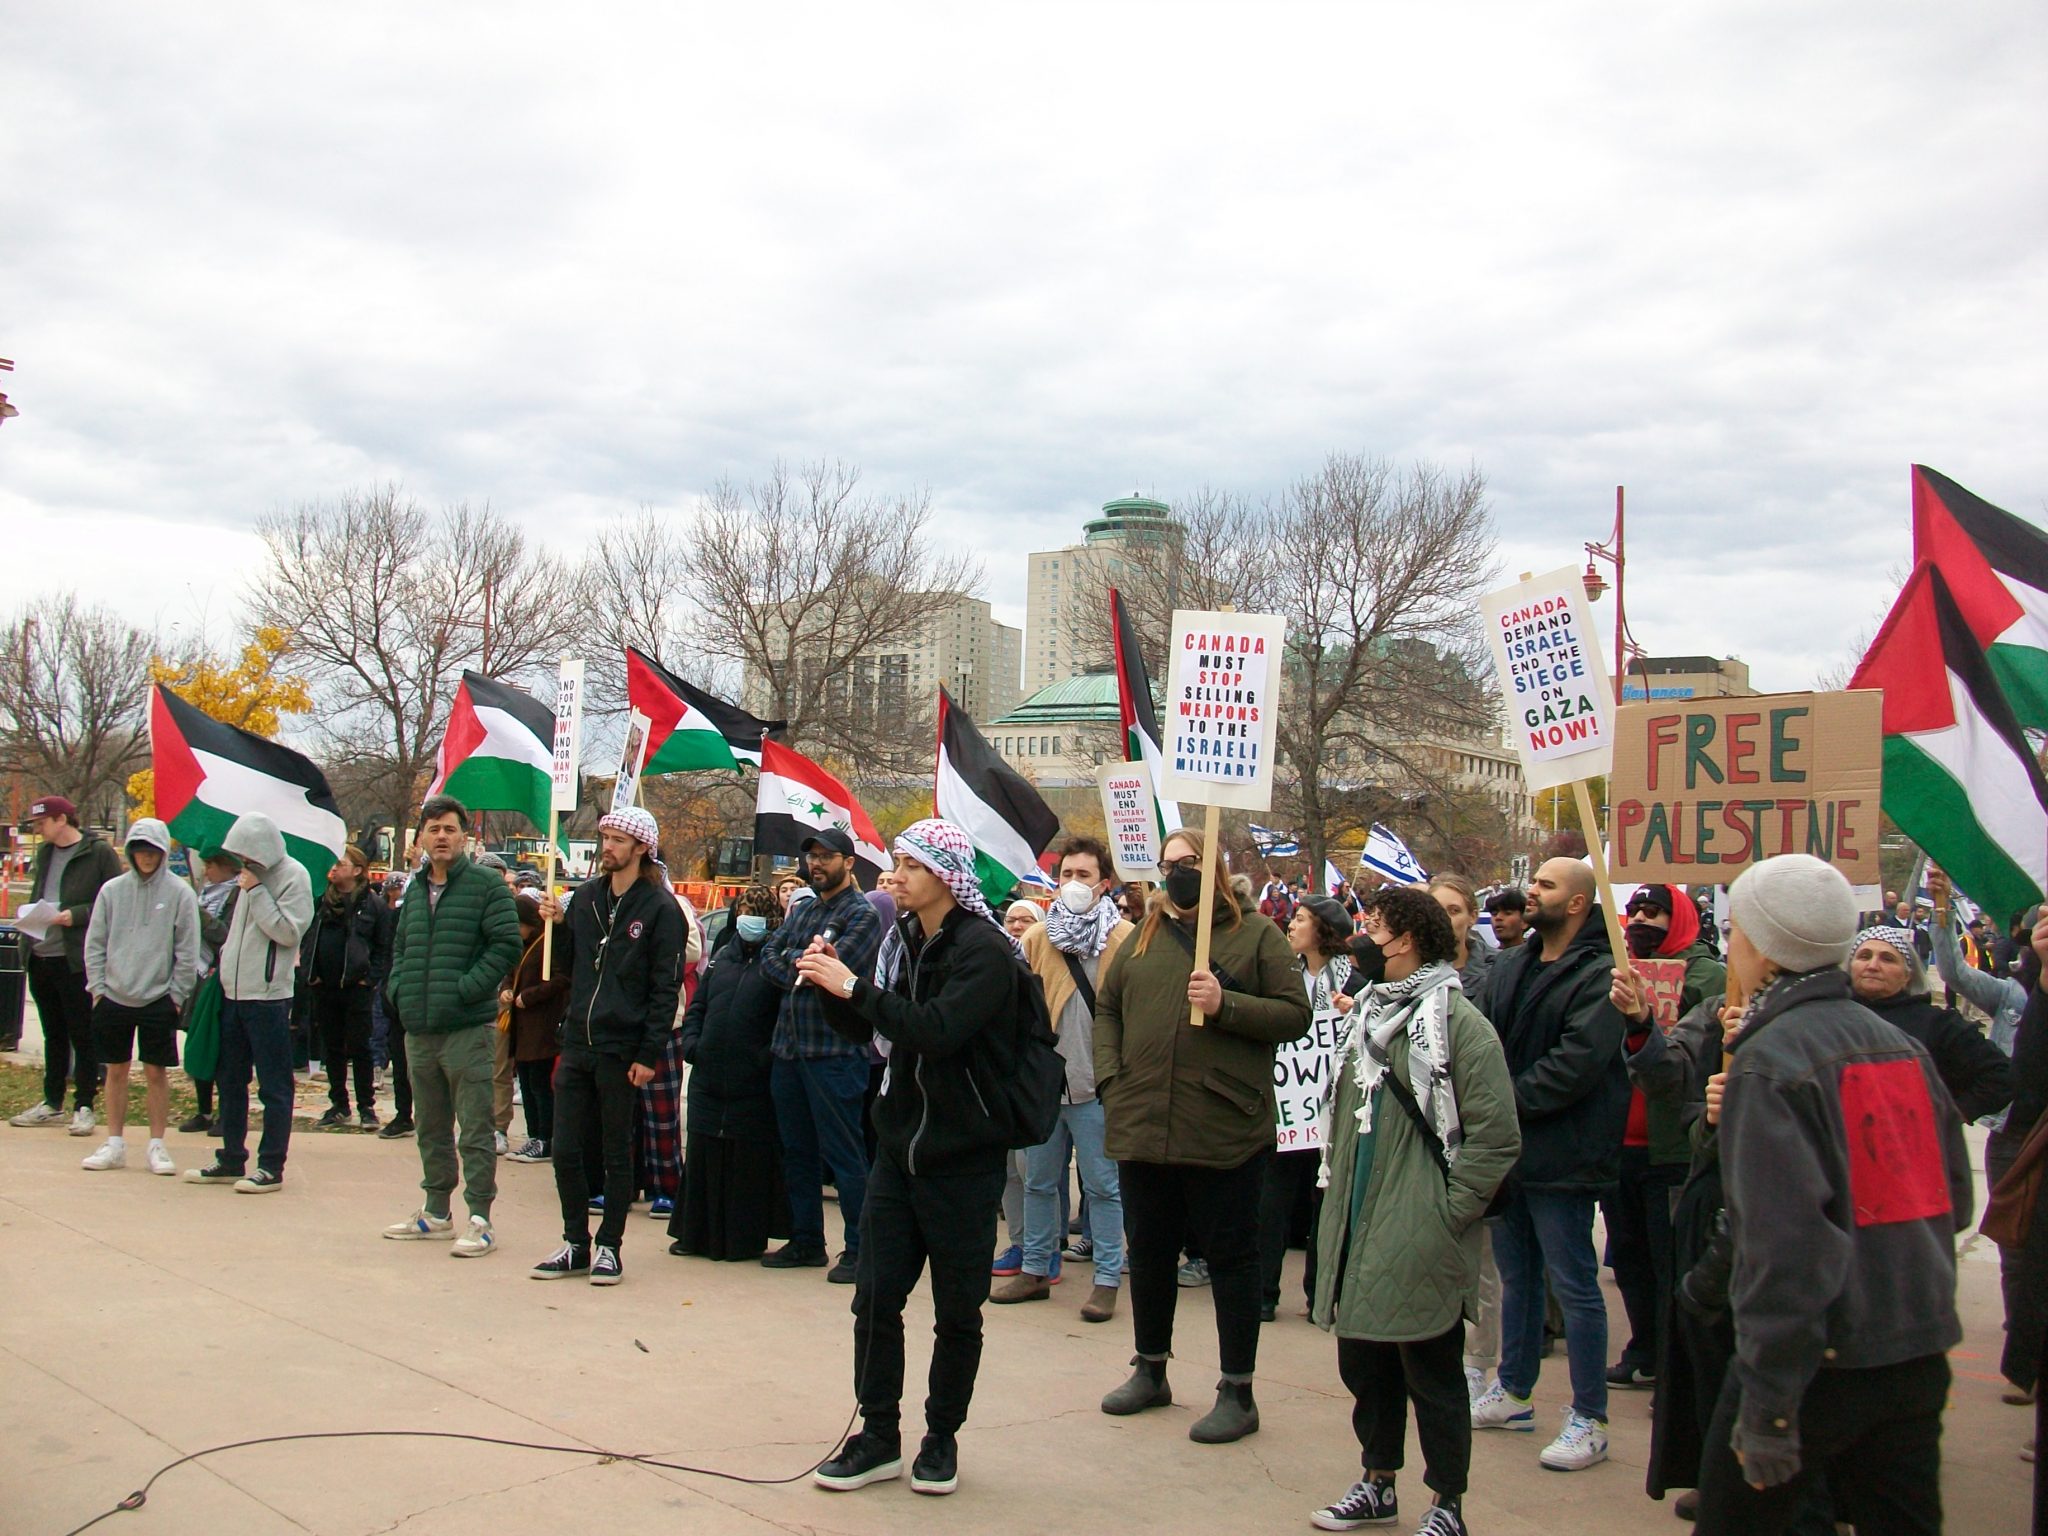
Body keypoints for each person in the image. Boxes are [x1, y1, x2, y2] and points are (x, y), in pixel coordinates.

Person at [1694, 855, 1973, 1535]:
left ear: (1757, 944)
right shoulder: (1899, 1044)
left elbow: (1783, 1252)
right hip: (1913, 1349)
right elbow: (1956, 1201)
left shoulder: (1770, 1060)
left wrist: (1769, 1407)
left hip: (1819, 1361)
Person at [800, 819, 1028, 1498]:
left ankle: (941, 1438)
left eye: (908, 865)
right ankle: (877, 1436)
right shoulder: (903, 939)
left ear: (946, 879)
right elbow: (875, 1026)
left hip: (964, 1156)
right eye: (895, 862)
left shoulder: (985, 950)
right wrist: (826, 984)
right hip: (899, 1149)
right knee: (874, 1299)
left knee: (958, 1310)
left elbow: (938, 1032)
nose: (893, 876)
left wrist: (853, 990)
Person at [1308, 887, 1520, 1536]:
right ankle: (1378, 1483)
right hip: (1357, 1215)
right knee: (1365, 1363)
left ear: (1404, 942)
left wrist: (1445, 1213)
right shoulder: (1365, 1013)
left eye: (1372, 926)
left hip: (1417, 1220)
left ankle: (1446, 1502)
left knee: (1430, 1372)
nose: (1359, 937)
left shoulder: (1458, 1025)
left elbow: (1496, 1137)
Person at [1094, 827, 1312, 1444]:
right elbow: (1108, 1008)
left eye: (1187, 863)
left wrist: (1228, 1004)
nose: (1175, 874)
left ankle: (1237, 1389)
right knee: (1153, 1250)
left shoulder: (1256, 934)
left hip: (1223, 1125)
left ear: (1214, 864)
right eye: (1167, 866)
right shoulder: (1147, 934)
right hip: (1143, 1121)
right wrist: (1112, 1078)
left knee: (1232, 1259)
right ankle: (1151, 1369)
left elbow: (1295, 1015)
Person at [1469, 858, 1628, 1472]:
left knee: (1574, 1284)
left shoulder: (1601, 975)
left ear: (1579, 904)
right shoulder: (1511, 963)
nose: (1531, 892)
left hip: (1565, 1150)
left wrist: (1500, 1100)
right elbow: (1478, 1030)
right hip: (1511, 1152)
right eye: (1533, 883)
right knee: (1518, 1276)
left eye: (1547, 886)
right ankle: (1514, 1389)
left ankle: (1589, 1415)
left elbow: (1578, 1061)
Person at [529, 806, 685, 1286]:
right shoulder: (586, 898)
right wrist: (555, 925)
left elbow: (665, 987)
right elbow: (569, 966)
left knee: (618, 1151)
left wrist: (646, 1053)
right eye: (606, 838)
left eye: (618, 840)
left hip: (621, 1048)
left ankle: (609, 1246)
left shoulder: (660, 909)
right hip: (577, 1041)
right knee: (567, 1150)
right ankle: (575, 1240)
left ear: (641, 848)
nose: (608, 848)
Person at [380, 796, 522, 1254]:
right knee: (431, 1125)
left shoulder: (486, 887)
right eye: (434, 828)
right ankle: (436, 1210)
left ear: (465, 838)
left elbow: (504, 946)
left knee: (475, 1126)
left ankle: (480, 1217)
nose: (441, 836)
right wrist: (399, 990)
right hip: (420, 1028)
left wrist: (467, 988)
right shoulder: (415, 890)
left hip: (467, 1027)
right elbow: (401, 948)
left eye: (450, 829)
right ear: (421, 836)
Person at [997, 836, 1130, 1322]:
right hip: (1044, 1088)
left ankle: (1107, 1280)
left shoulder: (1127, 941)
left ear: (1105, 884)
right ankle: (1035, 1269)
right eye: (1066, 875)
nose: (1074, 884)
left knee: (1103, 1187)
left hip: (1100, 1088)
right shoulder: (1036, 938)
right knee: (1037, 1182)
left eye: (1084, 876)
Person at [1602, 884, 1726, 1393]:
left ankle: (1677, 1360)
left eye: (1655, 913)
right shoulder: (1616, 969)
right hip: (1619, 1139)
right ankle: (1645, 1345)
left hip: (1673, 1141)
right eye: (1635, 912)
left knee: (1669, 1258)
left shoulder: (1710, 977)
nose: (1642, 921)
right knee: (1629, 1254)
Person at [758, 828, 884, 1283]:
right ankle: (807, 1239)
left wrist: (803, 964)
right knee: (797, 1151)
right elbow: (769, 957)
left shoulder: (863, 915)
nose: (816, 864)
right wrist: (798, 961)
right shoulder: (806, 907)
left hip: (833, 1050)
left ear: (848, 863)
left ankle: (860, 1248)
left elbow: (831, 971)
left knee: (845, 1153)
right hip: (789, 1046)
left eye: (826, 856)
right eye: (811, 856)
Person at [1925, 870, 2031, 1400]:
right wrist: (1942, 913)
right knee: (2015, 1245)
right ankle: (2024, 1356)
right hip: (2015, 1136)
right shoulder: (2012, 996)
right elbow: (1955, 974)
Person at [182, 814, 313, 1194]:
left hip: (268, 997)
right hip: (233, 993)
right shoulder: (246, 877)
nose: (241, 860)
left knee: (274, 1085)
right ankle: (230, 1157)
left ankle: (271, 1165)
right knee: (230, 1079)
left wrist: (257, 892)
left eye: (246, 852)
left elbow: (288, 933)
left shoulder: (293, 876)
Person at [671, 884, 788, 1261]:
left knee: (745, 1164)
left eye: (757, 912)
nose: (748, 919)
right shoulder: (723, 956)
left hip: (752, 1084)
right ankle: (695, 1234)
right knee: (704, 1154)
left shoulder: (778, 963)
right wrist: (693, 1043)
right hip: (709, 1074)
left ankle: (740, 1240)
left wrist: (761, 1059)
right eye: (744, 910)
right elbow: (698, 1006)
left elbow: (782, 1021)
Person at [78, 818, 201, 1175]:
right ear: (131, 852)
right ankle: (114, 1141)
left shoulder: (180, 893)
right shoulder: (112, 891)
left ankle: (157, 1144)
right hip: (114, 995)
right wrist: (98, 989)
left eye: (153, 852)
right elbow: (95, 942)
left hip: (158, 997)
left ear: (163, 853)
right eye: (140, 851)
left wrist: (176, 995)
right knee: (116, 1069)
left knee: (155, 1072)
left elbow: (187, 950)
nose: (146, 858)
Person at [1258, 893, 1356, 1326]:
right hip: (1288, 1111)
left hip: (1334, 1113)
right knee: (1270, 1205)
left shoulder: (1353, 981)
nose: (1291, 926)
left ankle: (1322, 1294)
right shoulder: (1282, 974)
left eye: (1300, 919)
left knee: (1326, 1207)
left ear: (1324, 931)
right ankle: (1262, 1293)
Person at [11, 795, 123, 1134]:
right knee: (53, 1033)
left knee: (82, 1032)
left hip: (75, 958)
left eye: (41, 823)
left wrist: (73, 915)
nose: (38, 830)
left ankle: (85, 1103)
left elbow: (111, 902)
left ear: (62, 819)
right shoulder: (45, 854)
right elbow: (38, 894)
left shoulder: (97, 853)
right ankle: (51, 1101)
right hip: (41, 953)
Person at [1843, 922, 2015, 1125]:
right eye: (1864, 956)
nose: (1872, 965)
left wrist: (1949, 1116)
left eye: (1887, 959)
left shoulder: (1938, 1025)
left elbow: (2002, 1075)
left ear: (1907, 975)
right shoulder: (1829, 1018)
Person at [298, 845, 389, 1129]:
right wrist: (310, 971)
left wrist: (369, 978)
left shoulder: (372, 904)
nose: (334, 869)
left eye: (341, 864)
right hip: (323, 986)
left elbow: (384, 947)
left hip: (357, 988)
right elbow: (306, 934)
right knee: (332, 1047)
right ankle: (339, 1103)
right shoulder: (320, 901)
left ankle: (366, 1107)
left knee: (360, 1048)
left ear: (358, 870)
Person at [181, 847, 243, 1133]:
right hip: (196, 973)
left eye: (212, 866)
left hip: (219, 976)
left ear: (227, 868)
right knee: (197, 1042)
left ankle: (224, 1113)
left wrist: (201, 916)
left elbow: (225, 936)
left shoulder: (238, 896)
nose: (207, 872)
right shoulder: (201, 894)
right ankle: (202, 1109)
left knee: (219, 1046)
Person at [503, 892, 567, 1162]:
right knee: (527, 1084)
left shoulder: (547, 942)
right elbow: (510, 973)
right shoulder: (521, 945)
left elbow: (561, 979)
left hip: (541, 1025)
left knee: (540, 1086)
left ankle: (546, 1137)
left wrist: (528, 997)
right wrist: (506, 990)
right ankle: (533, 1134)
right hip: (522, 1026)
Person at [376, 871, 416, 1139]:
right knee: (401, 1064)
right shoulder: (396, 919)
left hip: (432, 1001)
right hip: (399, 1002)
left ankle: (435, 1119)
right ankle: (404, 1115)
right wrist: (391, 992)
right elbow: (388, 955)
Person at [1429, 874, 1495, 1014]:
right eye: (1436, 910)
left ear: (1472, 917)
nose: (1444, 919)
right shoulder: (1406, 969)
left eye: (1454, 911)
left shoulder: (1499, 970)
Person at [1484, 888, 1530, 952]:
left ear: (1524, 921)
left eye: (1507, 913)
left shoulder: (1537, 958)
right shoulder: (1487, 959)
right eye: (1494, 914)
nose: (1498, 917)